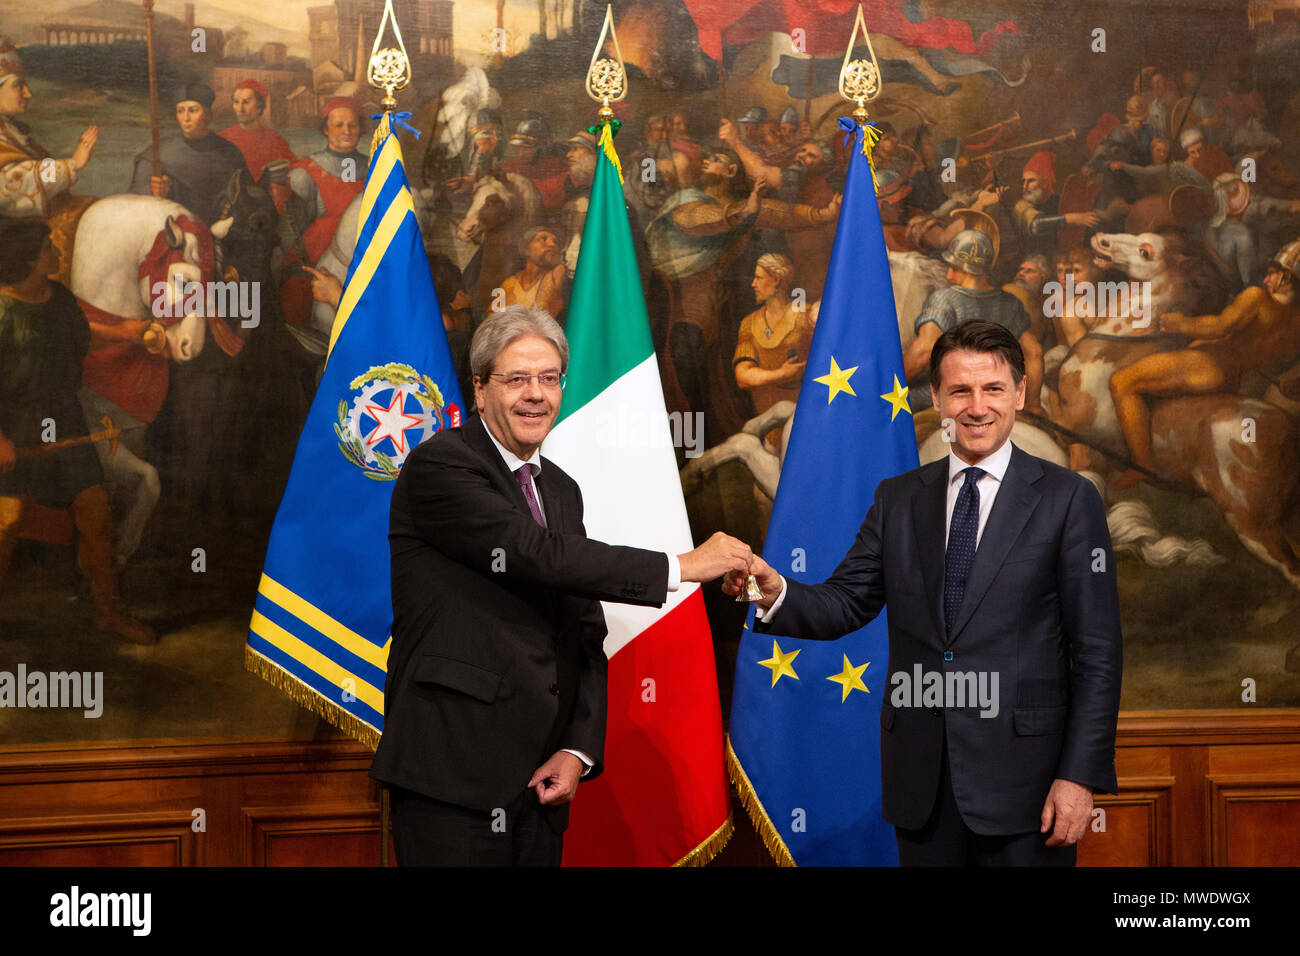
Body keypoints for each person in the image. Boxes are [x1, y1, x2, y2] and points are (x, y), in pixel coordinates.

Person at [726, 320, 1123, 866]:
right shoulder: (898, 499)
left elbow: (1098, 653)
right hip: (922, 788)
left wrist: (1078, 776)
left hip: (1028, 790)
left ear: (1021, 395)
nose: (977, 407)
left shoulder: (1067, 499)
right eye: (960, 390)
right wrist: (774, 591)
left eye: (993, 390)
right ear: (936, 397)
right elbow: (844, 602)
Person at [370, 306, 753, 866]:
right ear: (479, 390)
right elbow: (537, 554)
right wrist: (682, 567)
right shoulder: (439, 466)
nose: (536, 394)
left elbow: (584, 630)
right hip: (452, 773)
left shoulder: (563, 490)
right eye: (517, 379)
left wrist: (576, 748)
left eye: (549, 379)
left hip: (543, 783)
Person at [0, 220, 156, 645]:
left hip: (66, 421)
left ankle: (108, 611)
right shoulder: (1, 311)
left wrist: (127, 335)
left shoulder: (60, 300)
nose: (56, 252)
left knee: (96, 515)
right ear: (29, 258)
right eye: (48, 247)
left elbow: (83, 341)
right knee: (7, 521)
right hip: (14, 428)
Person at [1109, 239, 1300, 492]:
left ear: (1286, 277)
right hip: (1243, 381)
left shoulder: (1257, 298)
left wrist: (1181, 323)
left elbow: (1219, 326)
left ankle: (1141, 465)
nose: (1266, 280)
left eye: (1273, 273)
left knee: (1121, 381)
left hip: (1212, 365)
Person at [128, 82, 247, 225]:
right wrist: (157, 195)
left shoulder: (230, 153)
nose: (186, 118)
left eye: (193, 110)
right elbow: (136, 206)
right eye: (180, 111)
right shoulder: (156, 154)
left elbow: (244, 202)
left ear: (208, 115)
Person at [218, 79, 294, 212]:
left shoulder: (275, 140)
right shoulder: (222, 138)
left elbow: (292, 169)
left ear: (260, 106)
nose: (240, 109)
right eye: (236, 102)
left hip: (266, 206)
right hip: (231, 205)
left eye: (246, 102)